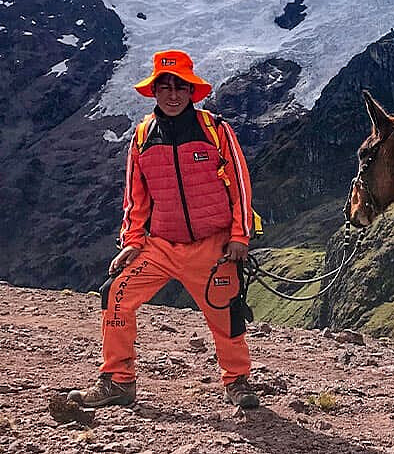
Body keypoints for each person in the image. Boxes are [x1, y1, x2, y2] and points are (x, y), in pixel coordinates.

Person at [69, 49, 259, 409]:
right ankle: (118, 381)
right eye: (165, 87)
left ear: (192, 92)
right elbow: (135, 197)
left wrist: (239, 236)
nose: (173, 95)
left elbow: (241, 186)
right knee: (115, 295)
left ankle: (238, 382)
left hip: (212, 246)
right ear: (154, 91)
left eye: (180, 87)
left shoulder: (215, 130)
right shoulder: (142, 137)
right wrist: (131, 242)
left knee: (227, 314)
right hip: (159, 246)